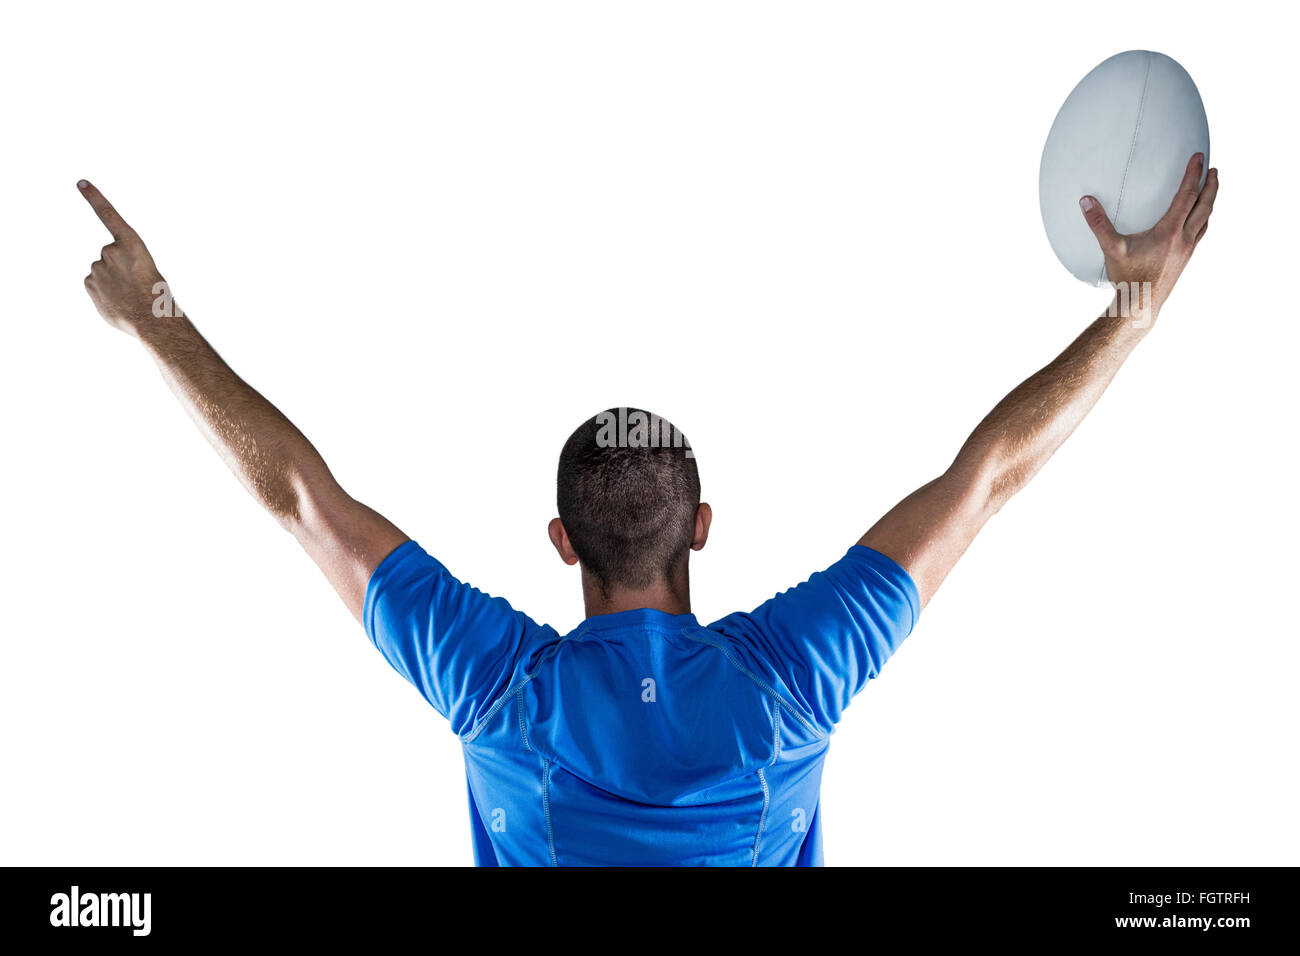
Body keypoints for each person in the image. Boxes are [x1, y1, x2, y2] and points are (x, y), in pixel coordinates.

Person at [77, 156, 1218, 865]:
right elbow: (988, 475)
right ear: (703, 525)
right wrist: (1131, 309)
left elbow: (299, 497)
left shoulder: (498, 684)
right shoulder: (790, 674)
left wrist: (154, 317)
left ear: (562, 541)